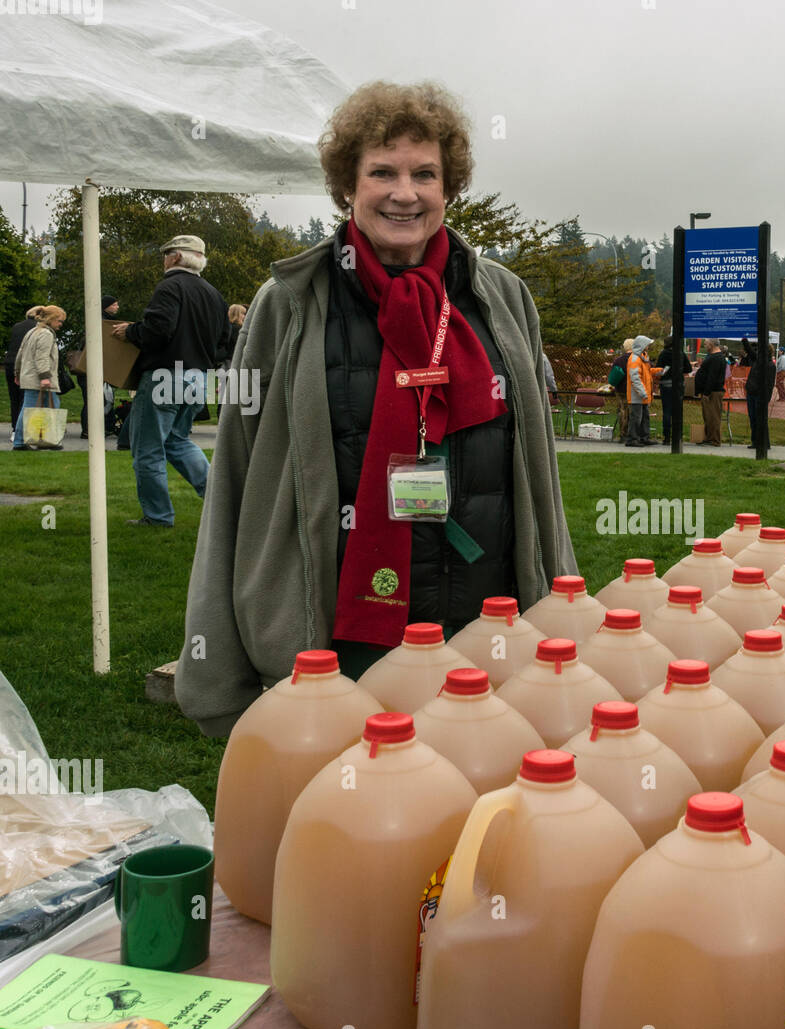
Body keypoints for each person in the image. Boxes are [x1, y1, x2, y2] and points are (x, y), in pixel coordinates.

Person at [174, 81, 577, 736]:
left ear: (450, 188)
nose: (404, 192)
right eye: (382, 172)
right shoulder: (288, 304)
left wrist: (561, 613)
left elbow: (540, 477)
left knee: (480, 818)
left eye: (425, 174)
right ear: (346, 186)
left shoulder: (501, 298)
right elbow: (237, 480)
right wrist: (216, 669)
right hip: (345, 641)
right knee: (354, 820)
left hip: (489, 625)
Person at [111, 236, 226, 525]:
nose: (163, 260)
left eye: (164, 255)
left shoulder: (169, 286)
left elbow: (159, 330)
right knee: (177, 440)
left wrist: (132, 331)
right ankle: (222, 503)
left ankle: (158, 516)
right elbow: (226, 341)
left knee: (147, 449)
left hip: (166, 377)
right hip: (199, 379)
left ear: (175, 258)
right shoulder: (214, 294)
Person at [12, 305, 67, 450]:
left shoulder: (32, 331)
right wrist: (45, 377)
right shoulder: (46, 335)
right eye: (60, 321)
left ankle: (22, 441)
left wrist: (17, 373)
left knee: (28, 409)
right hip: (39, 378)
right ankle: (49, 440)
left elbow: (20, 354)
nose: (61, 324)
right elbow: (42, 358)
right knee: (50, 407)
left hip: (29, 377)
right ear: (51, 319)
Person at [75, 295, 122, 438]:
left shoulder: (102, 321)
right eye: (114, 304)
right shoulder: (102, 324)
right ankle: (89, 430)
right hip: (92, 368)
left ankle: (98, 427)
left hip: (94, 367)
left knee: (98, 398)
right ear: (106, 306)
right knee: (93, 399)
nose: (117, 307)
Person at [5, 306, 39, 447]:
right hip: (26, 365)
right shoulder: (38, 329)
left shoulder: (17, 326)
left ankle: (15, 428)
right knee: (26, 399)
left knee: (15, 398)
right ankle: (22, 431)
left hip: (10, 363)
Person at [655, 335, 690, 443]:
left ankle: (666, 437)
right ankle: (677, 436)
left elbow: (658, 370)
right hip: (678, 385)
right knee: (678, 411)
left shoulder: (663, 354)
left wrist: (665, 371)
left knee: (667, 411)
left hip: (666, 385)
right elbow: (688, 368)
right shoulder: (680, 353)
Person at [625, 334, 658, 447]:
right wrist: (643, 392)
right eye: (647, 344)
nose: (648, 346)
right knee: (636, 418)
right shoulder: (635, 359)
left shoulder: (642, 357)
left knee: (644, 418)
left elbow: (648, 372)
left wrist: (660, 371)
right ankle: (632, 439)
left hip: (642, 394)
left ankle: (643, 437)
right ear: (642, 345)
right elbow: (635, 378)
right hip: (637, 395)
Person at [743, 339, 774, 449]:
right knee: (753, 419)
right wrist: (744, 341)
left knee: (760, 420)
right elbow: (750, 352)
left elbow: (769, 384)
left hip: (760, 396)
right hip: (751, 393)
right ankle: (755, 442)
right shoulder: (758, 360)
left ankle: (764, 442)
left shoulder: (769, 365)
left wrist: (766, 398)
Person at [695, 338, 726, 446]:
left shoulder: (717, 358)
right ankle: (709, 437)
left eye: (705, 344)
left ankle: (715, 440)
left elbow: (712, 377)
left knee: (713, 416)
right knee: (708, 416)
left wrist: (707, 393)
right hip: (709, 391)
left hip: (713, 392)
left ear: (712, 344)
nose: (704, 345)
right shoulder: (713, 357)